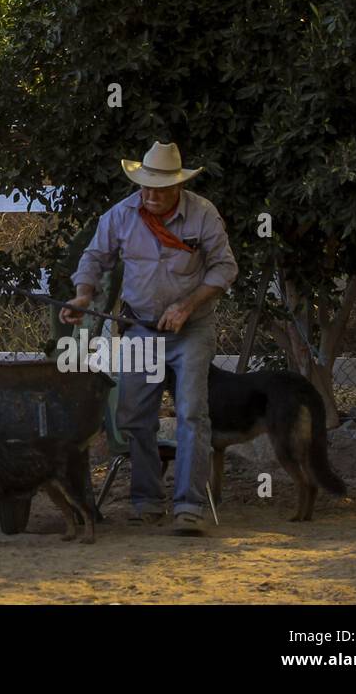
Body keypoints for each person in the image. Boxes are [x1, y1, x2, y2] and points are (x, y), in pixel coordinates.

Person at [60, 141, 238, 535]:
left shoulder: (203, 214)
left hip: (190, 329)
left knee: (191, 413)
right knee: (134, 417)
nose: (151, 195)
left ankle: (189, 506)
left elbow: (224, 270)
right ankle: (146, 499)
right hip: (141, 327)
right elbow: (94, 257)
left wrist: (187, 306)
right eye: (145, 187)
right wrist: (84, 294)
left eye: (160, 188)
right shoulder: (122, 215)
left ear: (178, 187)